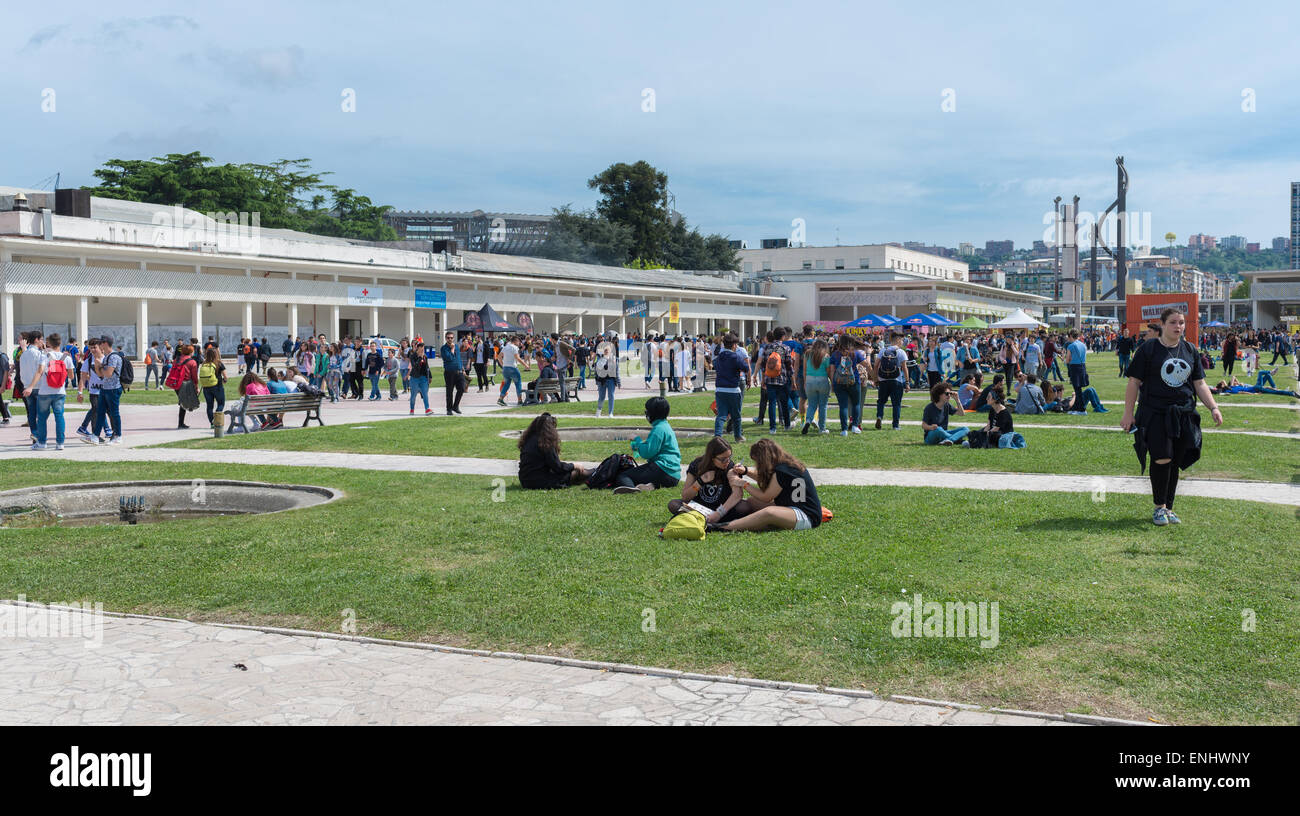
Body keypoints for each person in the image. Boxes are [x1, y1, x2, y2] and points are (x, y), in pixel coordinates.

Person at [1122, 307, 1223, 526]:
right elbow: (1133, 383)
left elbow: (1199, 383)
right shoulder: (1149, 349)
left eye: (1181, 322)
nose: (1178, 326)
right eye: (1173, 322)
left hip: (1183, 413)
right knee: (1162, 457)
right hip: (1155, 413)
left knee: (1175, 460)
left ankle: (1169, 507)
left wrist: (1213, 407)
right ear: (1163, 325)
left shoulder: (1189, 350)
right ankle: (1159, 508)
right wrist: (1128, 413)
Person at [715, 439, 821, 533]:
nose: (757, 464)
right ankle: (742, 521)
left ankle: (724, 527)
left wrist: (743, 484)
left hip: (806, 516)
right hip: (792, 507)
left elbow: (766, 497)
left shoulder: (782, 470)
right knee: (752, 501)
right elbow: (770, 480)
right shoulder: (784, 464)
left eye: (757, 461)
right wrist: (745, 471)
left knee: (768, 512)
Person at [668, 436, 753, 524]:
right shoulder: (697, 464)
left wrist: (719, 513)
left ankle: (702, 519)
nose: (727, 461)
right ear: (712, 457)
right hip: (701, 506)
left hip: (722, 507)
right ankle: (708, 520)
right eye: (723, 459)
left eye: (729, 457)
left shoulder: (730, 467)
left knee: (745, 506)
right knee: (673, 504)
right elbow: (685, 496)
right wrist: (700, 481)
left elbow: (738, 494)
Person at [614, 397, 681, 494]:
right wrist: (640, 445)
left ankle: (632, 490)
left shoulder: (658, 429)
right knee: (642, 474)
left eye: (647, 411)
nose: (646, 414)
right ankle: (651, 486)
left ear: (653, 413)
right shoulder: (665, 426)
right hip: (673, 476)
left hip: (662, 470)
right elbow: (654, 448)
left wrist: (637, 441)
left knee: (623, 476)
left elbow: (647, 453)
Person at [517, 413, 589, 489]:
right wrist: (574, 465)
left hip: (525, 480)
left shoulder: (528, 440)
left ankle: (593, 474)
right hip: (539, 481)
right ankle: (596, 474)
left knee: (573, 473)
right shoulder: (545, 443)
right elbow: (558, 467)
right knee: (576, 472)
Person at [27, 332, 73, 451]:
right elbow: (72, 377)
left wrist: (31, 386)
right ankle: (60, 443)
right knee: (59, 417)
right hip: (60, 392)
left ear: (49, 343)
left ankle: (42, 443)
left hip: (45, 392)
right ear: (60, 343)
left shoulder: (44, 356)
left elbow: (40, 371)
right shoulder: (66, 357)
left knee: (42, 418)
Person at [828, 335, 866, 436]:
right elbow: (867, 364)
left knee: (843, 406)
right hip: (854, 381)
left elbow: (832, 370)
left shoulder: (835, 354)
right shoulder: (855, 353)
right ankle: (854, 426)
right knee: (856, 404)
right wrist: (873, 376)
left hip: (839, 382)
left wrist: (832, 382)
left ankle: (844, 430)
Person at [91, 337, 125, 444]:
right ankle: (95, 436)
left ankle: (118, 435)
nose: (99, 346)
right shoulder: (106, 357)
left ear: (105, 344)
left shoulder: (114, 357)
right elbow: (101, 375)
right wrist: (98, 366)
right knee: (100, 412)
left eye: (100, 343)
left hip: (114, 389)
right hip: (105, 388)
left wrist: (100, 366)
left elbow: (108, 373)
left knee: (114, 413)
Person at [873, 331, 908, 430]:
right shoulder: (901, 352)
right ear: (897, 340)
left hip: (883, 380)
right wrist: (908, 382)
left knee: (881, 401)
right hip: (896, 380)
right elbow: (905, 368)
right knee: (896, 403)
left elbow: (876, 365)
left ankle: (879, 416)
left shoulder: (883, 350)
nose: (902, 342)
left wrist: (876, 379)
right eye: (901, 340)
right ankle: (895, 425)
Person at [922, 381, 969, 446]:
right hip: (931, 435)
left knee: (965, 429)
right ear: (939, 394)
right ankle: (956, 440)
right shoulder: (929, 408)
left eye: (950, 393)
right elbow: (923, 425)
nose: (949, 395)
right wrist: (931, 427)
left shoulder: (947, 405)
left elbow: (962, 413)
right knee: (939, 429)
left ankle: (949, 440)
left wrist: (957, 400)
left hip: (944, 433)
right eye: (947, 393)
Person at [801, 339, 831, 434]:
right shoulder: (826, 356)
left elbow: (804, 370)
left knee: (811, 404)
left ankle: (808, 421)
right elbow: (828, 372)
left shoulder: (807, 354)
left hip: (809, 380)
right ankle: (822, 428)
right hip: (822, 380)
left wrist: (805, 382)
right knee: (823, 406)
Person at [172, 343, 200, 429]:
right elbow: (194, 376)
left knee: (183, 403)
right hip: (186, 384)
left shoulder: (176, 359)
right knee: (184, 403)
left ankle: (181, 423)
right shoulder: (192, 362)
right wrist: (196, 387)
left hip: (176, 383)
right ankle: (180, 424)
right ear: (191, 352)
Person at [438, 332, 467, 414]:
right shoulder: (444, 348)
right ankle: (449, 409)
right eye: (448, 338)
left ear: (453, 338)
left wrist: (462, 369)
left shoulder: (457, 347)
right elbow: (449, 358)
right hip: (449, 372)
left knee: (462, 388)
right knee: (449, 391)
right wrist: (452, 349)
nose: (450, 339)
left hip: (459, 371)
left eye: (451, 337)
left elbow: (458, 358)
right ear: (445, 338)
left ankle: (455, 406)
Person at [593, 337, 621, 418]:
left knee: (611, 396)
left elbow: (617, 371)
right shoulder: (600, 359)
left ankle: (610, 413)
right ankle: (598, 411)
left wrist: (618, 381)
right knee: (601, 397)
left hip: (611, 380)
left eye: (608, 349)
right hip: (602, 381)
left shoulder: (614, 359)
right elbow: (598, 369)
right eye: (605, 350)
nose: (606, 351)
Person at [407, 340, 433, 414]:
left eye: (423, 348)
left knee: (425, 393)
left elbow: (427, 367)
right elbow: (414, 366)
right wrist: (419, 358)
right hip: (414, 378)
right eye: (421, 348)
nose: (423, 350)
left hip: (423, 378)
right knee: (413, 395)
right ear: (417, 348)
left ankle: (427, 409)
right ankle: (412, 409)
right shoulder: (413, 356)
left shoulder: (425, 356)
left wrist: (430, 376)